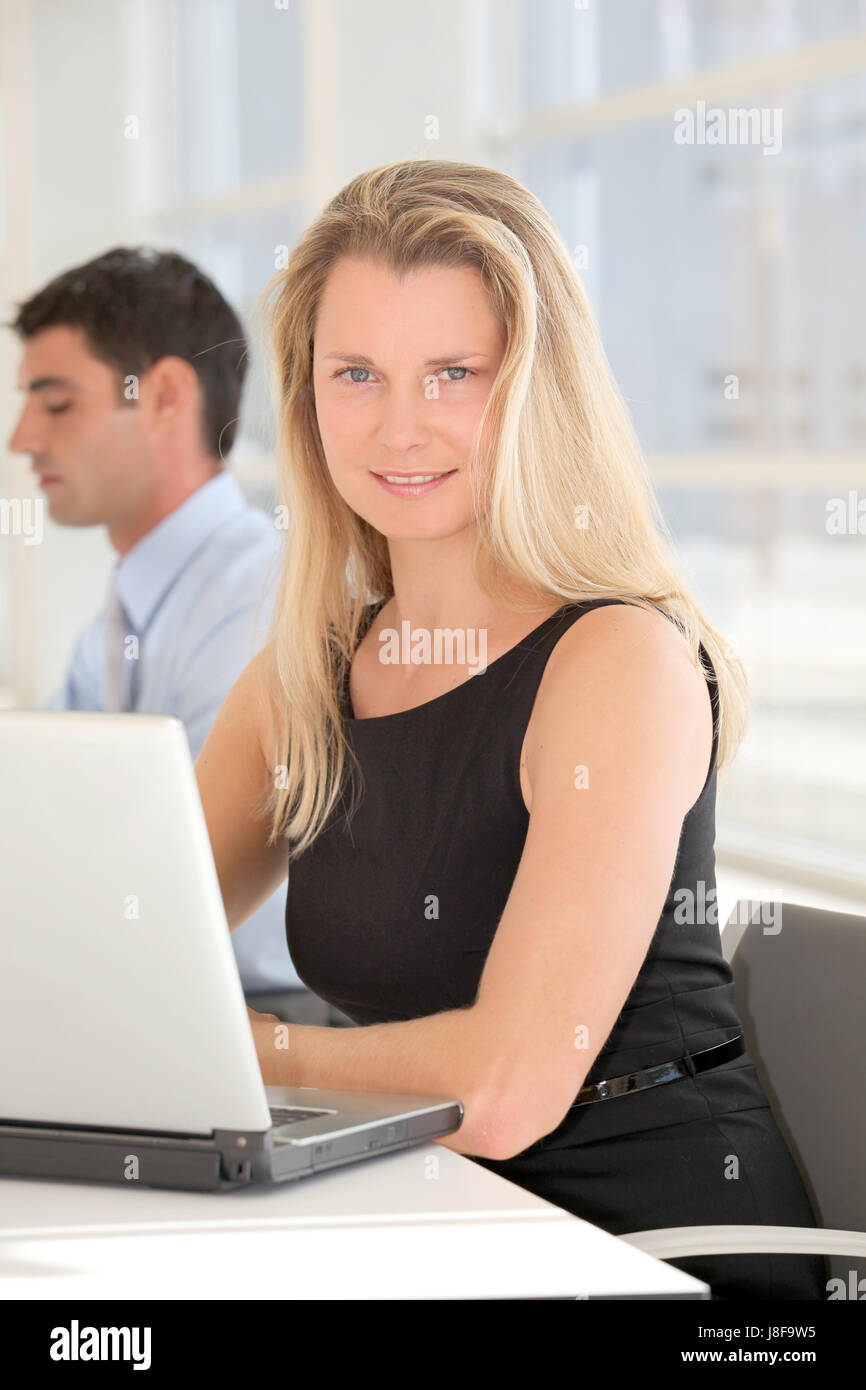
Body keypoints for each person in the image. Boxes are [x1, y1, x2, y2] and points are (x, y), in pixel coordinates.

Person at [194, 159, 828, 1299]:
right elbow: (127, 939)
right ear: (305, 395)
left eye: (452, 372)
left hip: (655, 1259)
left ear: (534, 388)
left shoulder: (616, 660)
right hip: (430, 1225)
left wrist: (253, 1057)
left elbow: (502, 1090)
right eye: (355, 373)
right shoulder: (305, 673)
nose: (398, 424)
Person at [6, 246, 350, 1022]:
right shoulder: (127, 606)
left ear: (164, 395)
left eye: (55, 403)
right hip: (147, 989)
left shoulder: (263, 603)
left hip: (259, 1013)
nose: (22, 438)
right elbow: (40, 806)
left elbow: (160, 873)